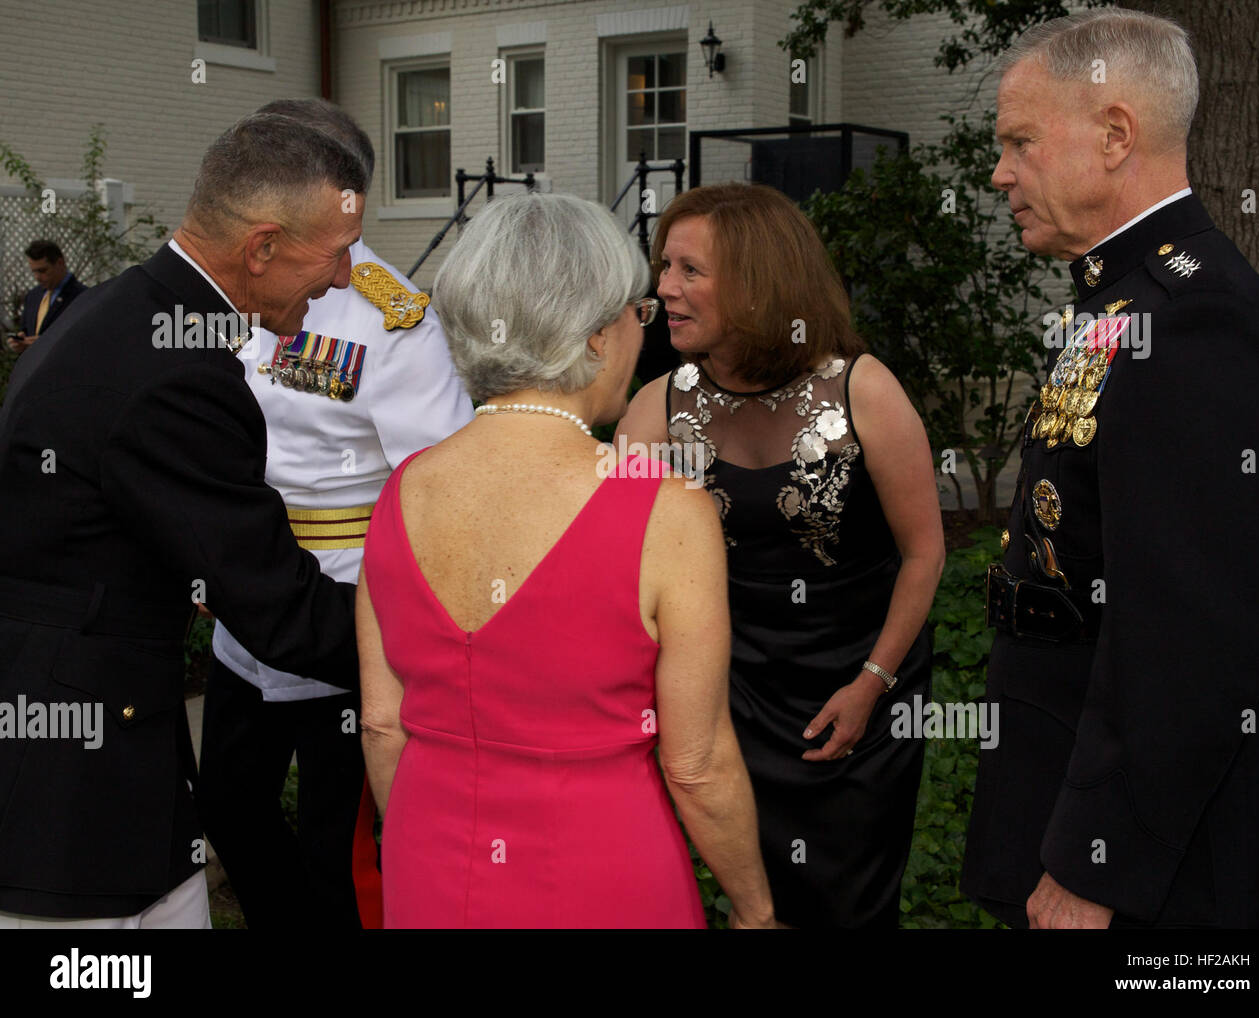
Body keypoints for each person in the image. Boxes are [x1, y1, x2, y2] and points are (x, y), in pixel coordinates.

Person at [962, 8, 1259, 929]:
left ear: (1115, 134)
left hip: (1148, 866)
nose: (1000, 173)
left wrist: (1096, 864)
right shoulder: (1121, 296)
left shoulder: (1194, 318)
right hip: (1067, 787)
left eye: (1020, 142)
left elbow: (1190, 633)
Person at [358, 191, 775, 929]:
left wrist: (430, 841)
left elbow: (384, 725)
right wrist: (754, 911)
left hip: (431, 865)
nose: (640, 336)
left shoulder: (403, 490)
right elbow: (697, 764)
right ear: (592, 335)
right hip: (600, 875)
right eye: (634, 315)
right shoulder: (663, 506)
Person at [0, 111, 367, 928]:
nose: (344, 278)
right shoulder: (175, 374)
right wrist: (458, 640)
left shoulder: (125, 317)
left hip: (105, 754)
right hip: (74, 808)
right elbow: (281, 609)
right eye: (334, 252)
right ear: (262, 247)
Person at [617, 183, 946, 928]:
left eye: (689, 270)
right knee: (750, 894)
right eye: (664, 265)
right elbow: (616, 557)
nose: (664, 287)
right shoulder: (659, 407)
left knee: (849, 900)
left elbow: (924, 554)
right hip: (727, 693)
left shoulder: (865, 391)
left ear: (759, 282)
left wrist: (872, 684)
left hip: (862, 683)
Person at [195, 99, 473, 930]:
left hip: (348, 615)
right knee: (230, 808)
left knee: (338, 841)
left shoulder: (395, 319)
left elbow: (441, 484)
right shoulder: (230, 292)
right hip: (244, 607)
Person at [6, 239, 87, 354]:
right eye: (34, 271)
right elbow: (26, 331)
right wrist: (20, 343)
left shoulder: (81, 296)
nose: (37, 277)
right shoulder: (33, 296)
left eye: (42, 270)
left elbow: (84, 340)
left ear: (60, 263)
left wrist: (47, 343)